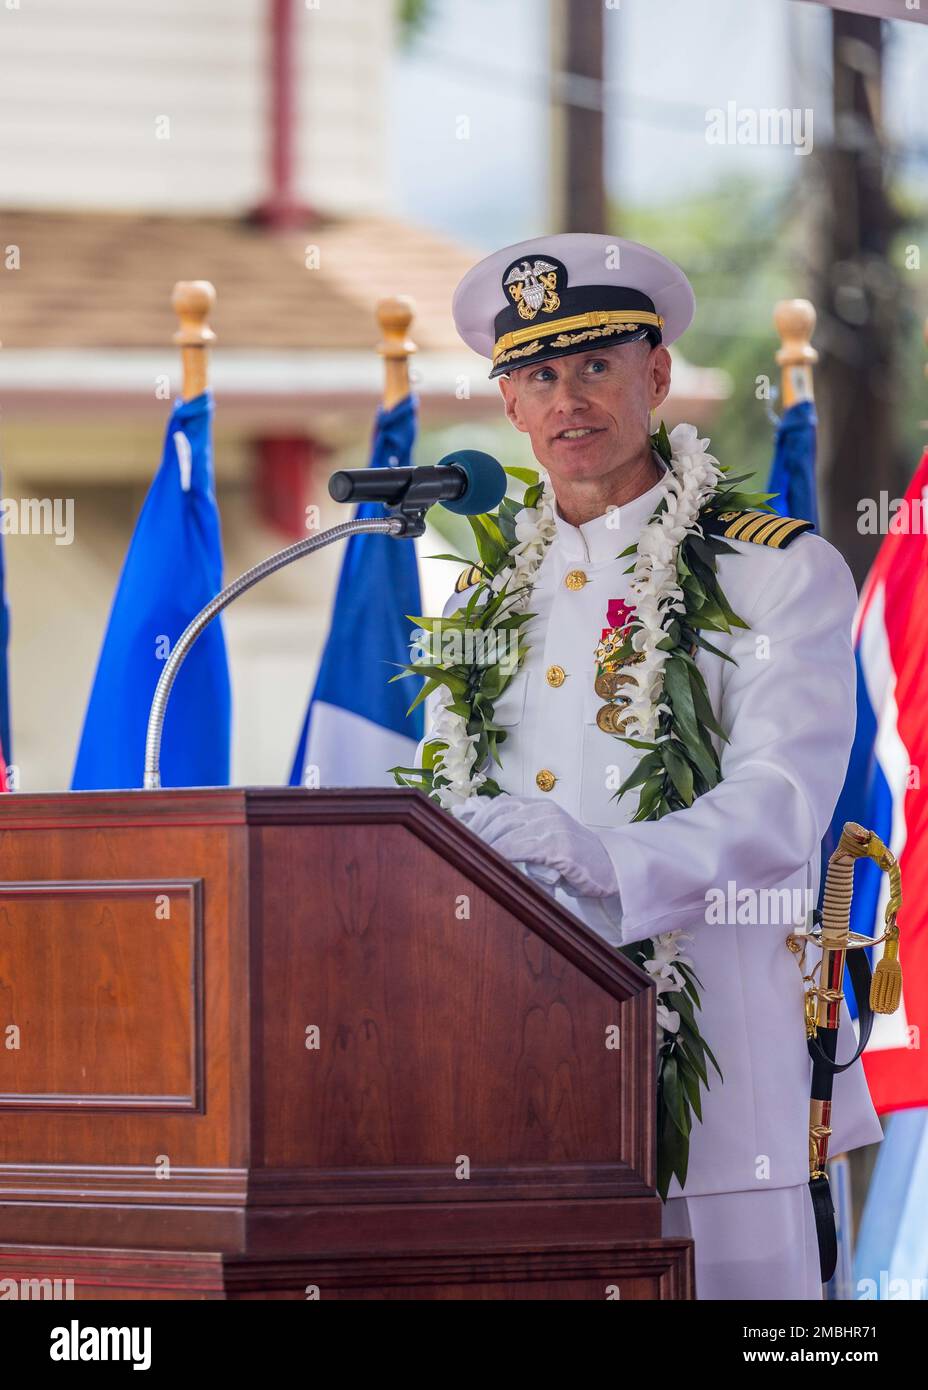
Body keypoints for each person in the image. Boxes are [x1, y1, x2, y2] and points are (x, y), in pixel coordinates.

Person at [419, 233, 882, 1300]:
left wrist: (603, 858)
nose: (568, 398)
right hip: (523, 1083)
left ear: (657, 374)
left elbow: (781, 804)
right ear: (510, 407)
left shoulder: (774, 570)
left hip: (729, 1091)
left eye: (594, 365)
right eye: (538, 374)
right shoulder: (484, 600)